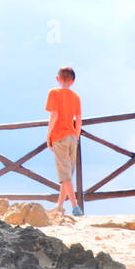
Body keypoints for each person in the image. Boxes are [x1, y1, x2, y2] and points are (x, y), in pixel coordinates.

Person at [46, 66, 83, 216]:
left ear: (57, 78)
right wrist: (76, 137)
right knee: (67, 173)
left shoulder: (53, 93)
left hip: (59, 136)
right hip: (72, 137)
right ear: (73, 81)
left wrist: (48, 135)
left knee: (64, 174)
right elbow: (79, 120)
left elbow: (54, 115)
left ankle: (75, 207)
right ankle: (59, 206)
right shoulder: (76, 97)